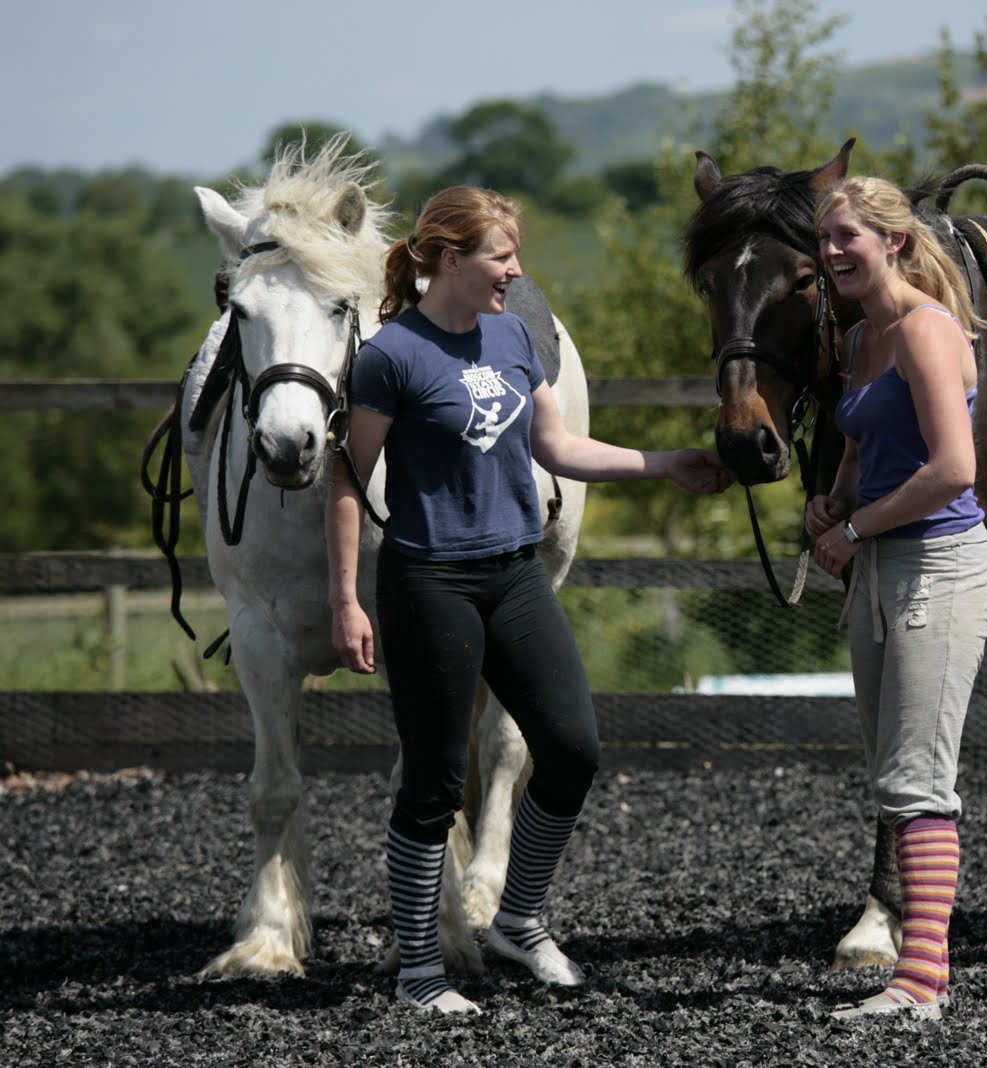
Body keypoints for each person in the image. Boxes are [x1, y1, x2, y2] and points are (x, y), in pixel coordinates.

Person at [326, 185, 731, 1015]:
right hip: (428, 580)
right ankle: (419, 973)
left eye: (514, 254)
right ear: (449, 261)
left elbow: (558, 445)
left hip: (513, 573)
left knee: (573, 749)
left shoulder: (513, 336)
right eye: (501, 256)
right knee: (435, 783)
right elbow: (345, 478)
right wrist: (346, 599)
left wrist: (664, 462)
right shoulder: (390, 355)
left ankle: (518, 919)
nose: (516, 269)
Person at [806, 176, 987, 1021]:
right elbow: (864, 441)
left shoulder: (925, 330)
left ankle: (921, 982)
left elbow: (956, 469)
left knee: (920, 781)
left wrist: (857, 530)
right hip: (882, 567)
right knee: (895, 779)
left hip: (940, 567)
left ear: (895, 242)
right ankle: (920, 976)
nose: (834, 251)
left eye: (848, 235)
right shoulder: (862, 339)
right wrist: (837, 502)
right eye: (826, 240)